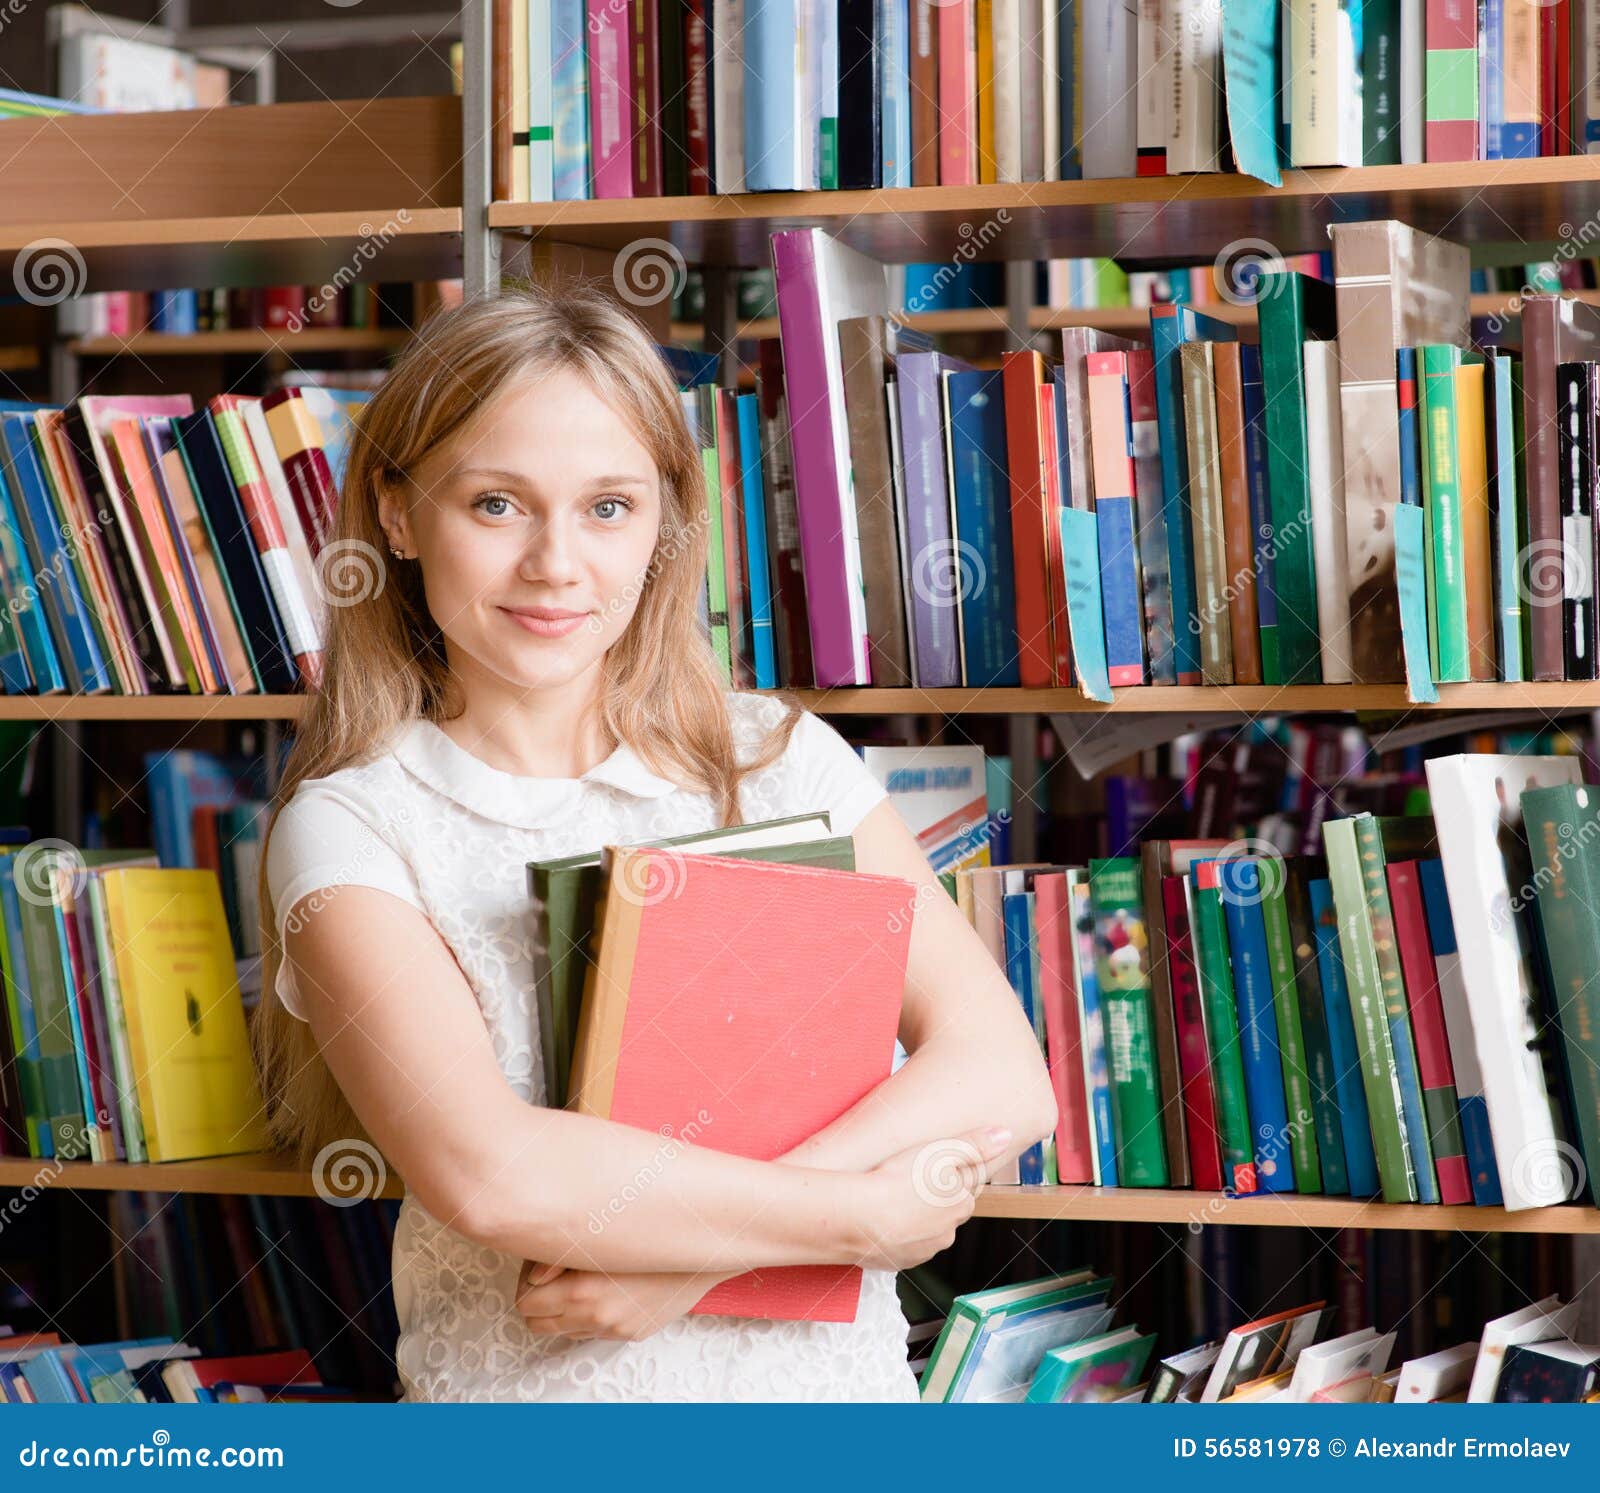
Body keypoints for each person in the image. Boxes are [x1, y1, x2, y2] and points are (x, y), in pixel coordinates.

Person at [257, 282, 1058, 1402]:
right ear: (396, 513)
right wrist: (855, 1214)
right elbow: (492, 1171)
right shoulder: (349, 823)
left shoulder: (778, 755)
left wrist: (693, 1260)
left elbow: (1003, 1075)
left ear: (663, 523)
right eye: (495, 504)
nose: (555, 563)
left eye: (608, 507)